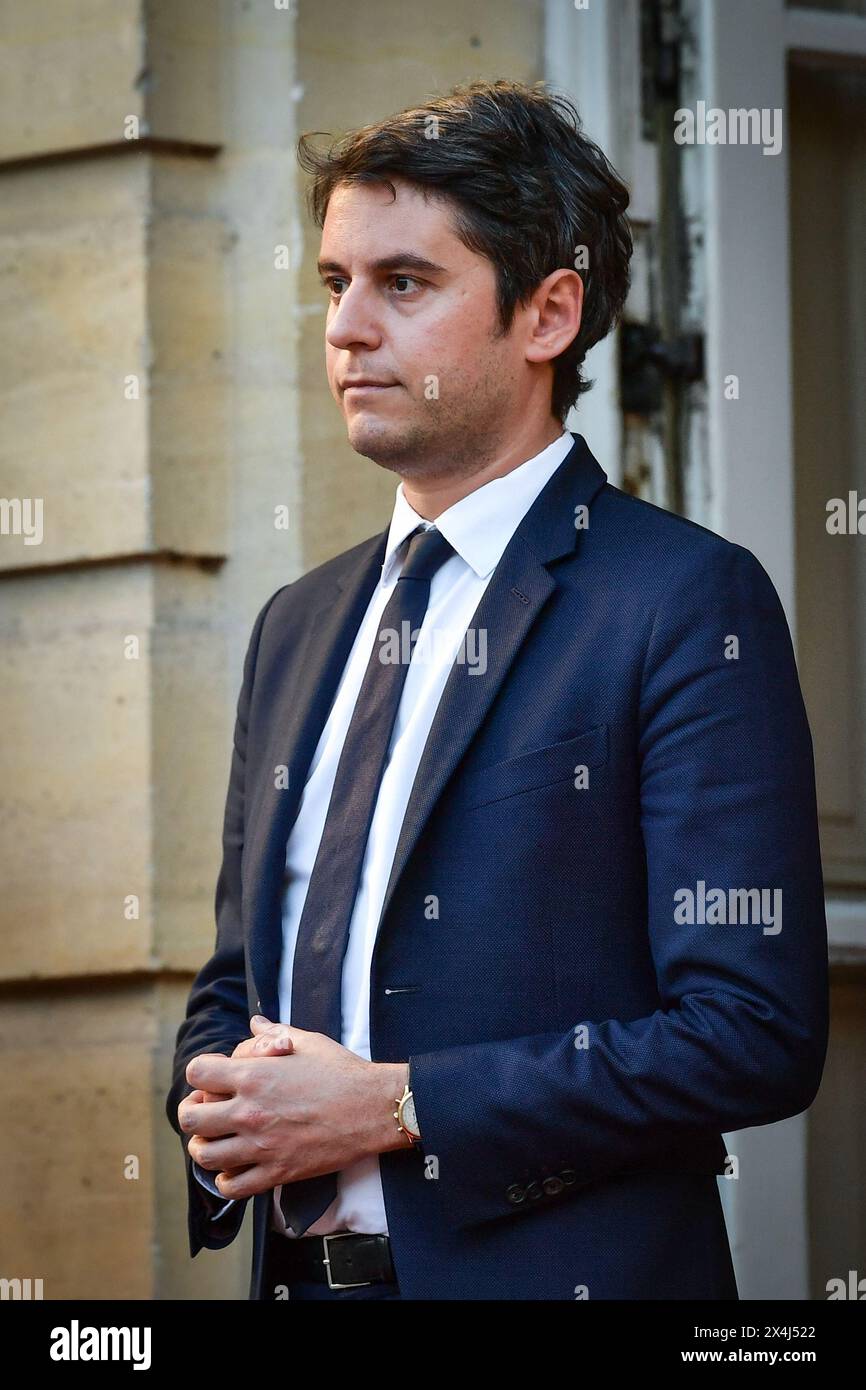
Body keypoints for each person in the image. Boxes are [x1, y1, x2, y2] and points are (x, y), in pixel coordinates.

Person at [166, 78, 829, 1301]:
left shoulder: (681, 601)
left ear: (547, 314)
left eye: (402, 284)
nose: (347, 329)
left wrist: (392, 1106)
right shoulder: (297, 625)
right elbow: (231, 984)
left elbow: (750, 1030)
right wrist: (223, 1108)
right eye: (333, 284)